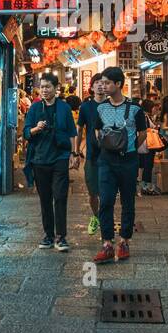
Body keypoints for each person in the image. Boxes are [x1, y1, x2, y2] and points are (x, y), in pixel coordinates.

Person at [92, 67, 148, 263]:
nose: (103, 86)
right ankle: (107, 243)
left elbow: (143, 133)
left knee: (127, 201)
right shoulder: (101, 108)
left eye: (107, 83)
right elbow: (97, 130)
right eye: (102, 82)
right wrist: (106, 145)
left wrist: (129, 147)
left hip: (128, 160)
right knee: (105, 200)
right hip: (106, 161)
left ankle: (124, 241)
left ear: (118, 84)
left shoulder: (135, 109)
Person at [23, 73, 77, 251]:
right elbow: (25, 132)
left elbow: (71, 132)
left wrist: (74, 153)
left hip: (60, 157)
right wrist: (36, 129)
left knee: (60, 197)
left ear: (56, 88)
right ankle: (48, 235)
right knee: (45, 199)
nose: (44, 90)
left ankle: (61, 237)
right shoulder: (35, 108)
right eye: (42, 86)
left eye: (48, 87)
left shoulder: (64, 108)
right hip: (40, 158)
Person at [77, 73, 109, 234]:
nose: (100, 85)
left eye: (103, 83)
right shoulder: (86, 107)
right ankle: (96, 216)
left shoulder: (112, 104)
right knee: (92, 192)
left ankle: (104, 218)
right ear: (91, 87)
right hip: (91, 154)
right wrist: (76, 152)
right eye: (97, 83)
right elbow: (80, 129)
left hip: (109, 155)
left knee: (106, 191)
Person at [138, 99, 166, 195]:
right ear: (150, 107)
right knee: (148, 167)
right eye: (154, 107)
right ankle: (146, 188)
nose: (155, 109)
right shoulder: (144, 116)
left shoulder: (144, 115)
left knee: (147, 167)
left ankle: (144, 187)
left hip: (145, 145)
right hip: (147, 145)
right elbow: (148, 129)